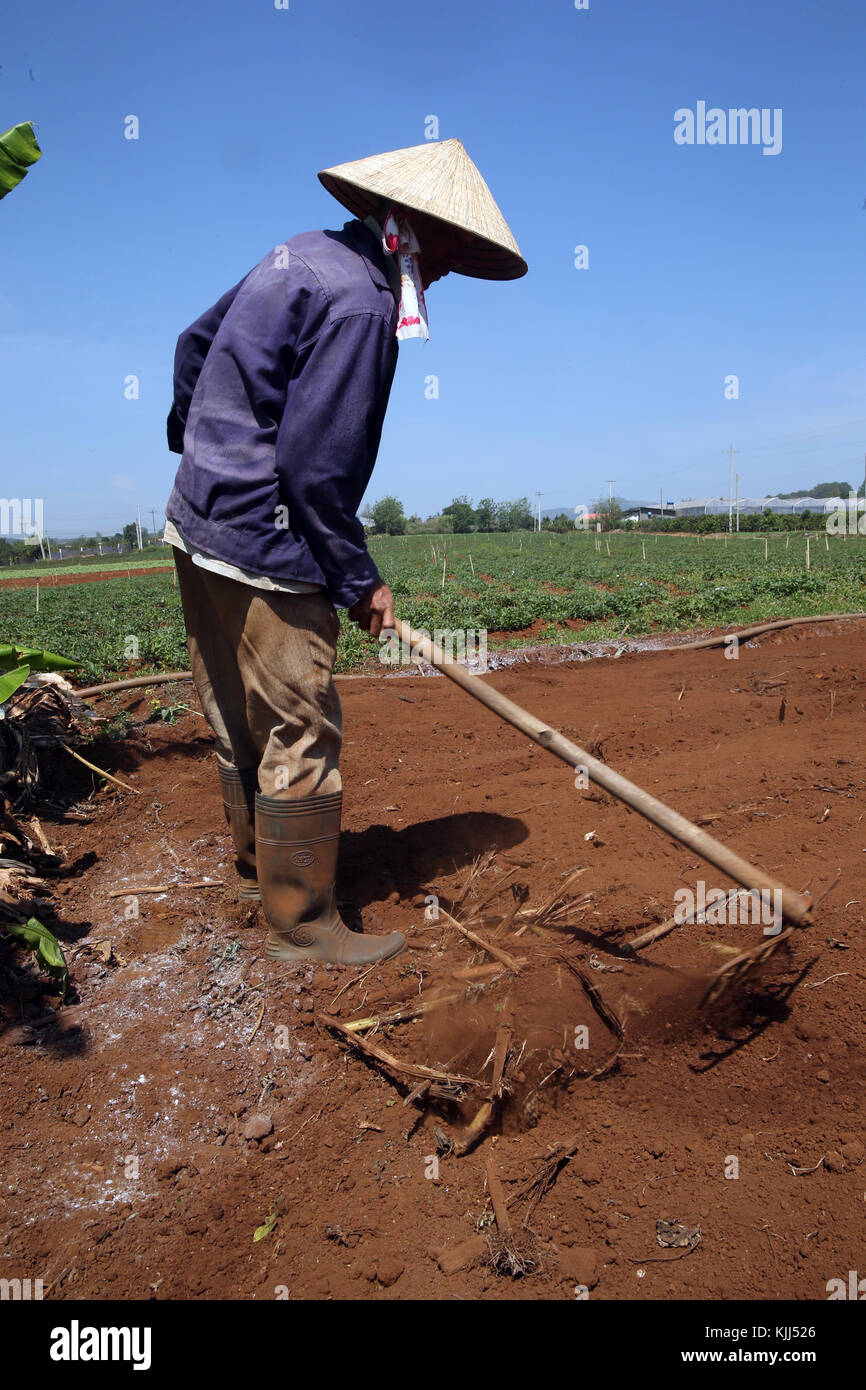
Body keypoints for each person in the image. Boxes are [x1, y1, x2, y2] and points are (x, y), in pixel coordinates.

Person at [164, 138, 526, 966]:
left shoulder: (298, 255)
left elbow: (193, 344)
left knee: (235, 714)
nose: (443, 281)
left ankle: (256, 873)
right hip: (269, 543)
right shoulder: (364, 304)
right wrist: (359, 579)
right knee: (299, 725)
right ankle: (303, 927)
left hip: (198, 524)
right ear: (424, 238)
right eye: (450, 263)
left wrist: (202, 449)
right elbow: (314, 468)